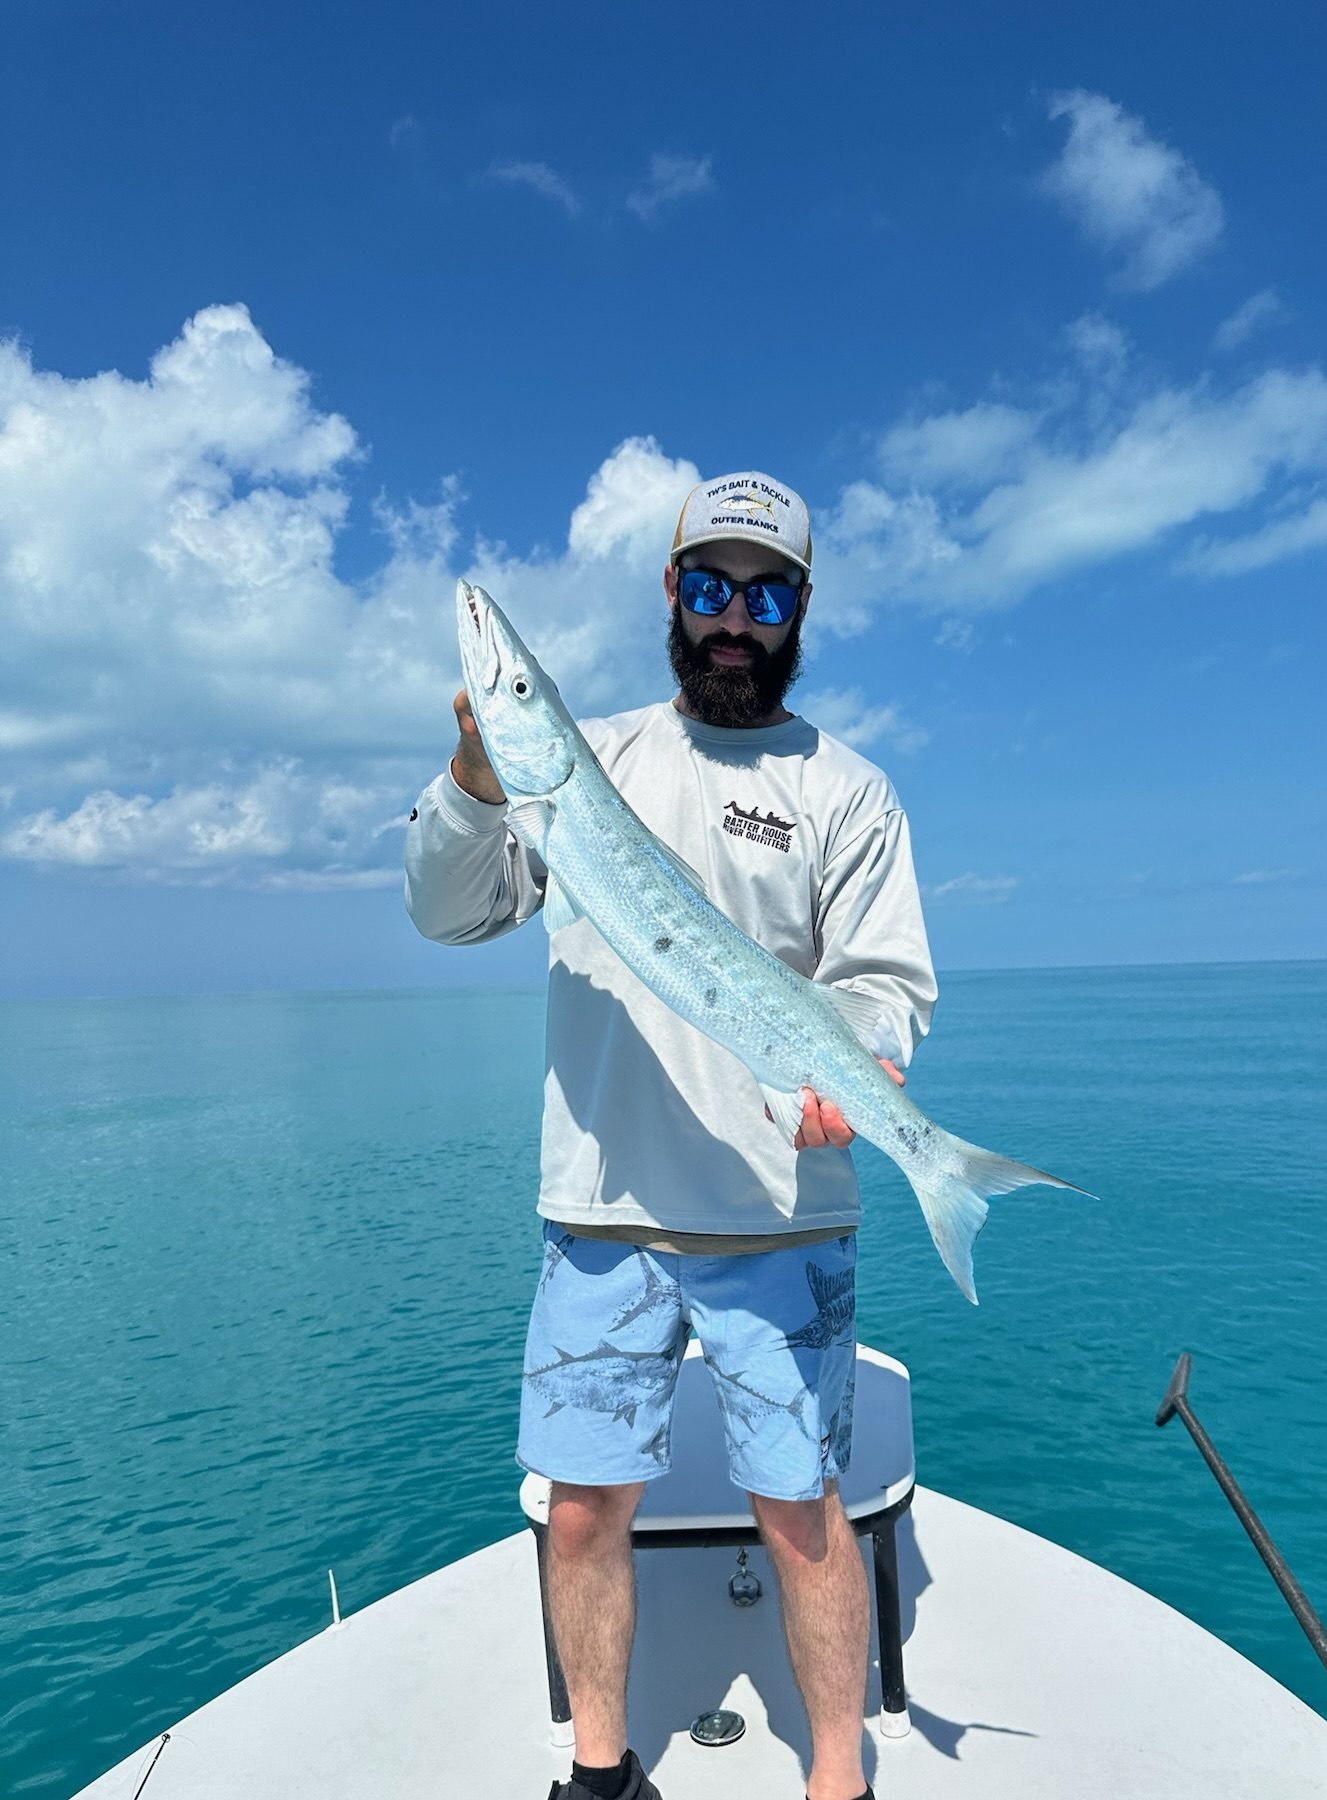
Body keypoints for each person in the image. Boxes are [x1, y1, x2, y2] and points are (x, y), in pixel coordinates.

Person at [404, 471, 936, 1800]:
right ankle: (601, 1773)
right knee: (582, 1511)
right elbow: (449, 913)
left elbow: (883, 983)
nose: (734, 621)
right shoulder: (589, 763)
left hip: (782, 1213)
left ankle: (836, 1779)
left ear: (799, 609)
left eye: (765, 597)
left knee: (804, 1516)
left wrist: (863, 1064)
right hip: (603, 1214)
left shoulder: (850, 789)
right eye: (710, 588)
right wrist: (475, 779)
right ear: (672, 593)